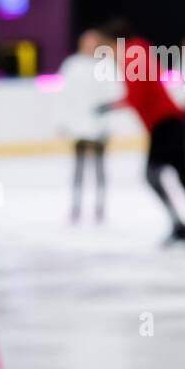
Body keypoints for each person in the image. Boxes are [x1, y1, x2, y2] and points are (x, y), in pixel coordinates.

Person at [96, 19, 185, 246]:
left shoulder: (132, 54)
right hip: (168, 121)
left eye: (106, 47)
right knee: (180, 171)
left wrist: (110, 106)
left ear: (113, 42)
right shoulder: (138, 50)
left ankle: (181, 222)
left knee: (153, 174)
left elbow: (137, 95)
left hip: (164, 124)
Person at [57, 29, 123, 224]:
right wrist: (64, 122)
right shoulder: (72, 65)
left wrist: (108, 121)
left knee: (99, 168)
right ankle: (76, 206)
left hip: (99, 125)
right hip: (78, 126)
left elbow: (114, 93)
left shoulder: (105, 64)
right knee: (79, 168)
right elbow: (64, 96)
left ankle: (99, 207)